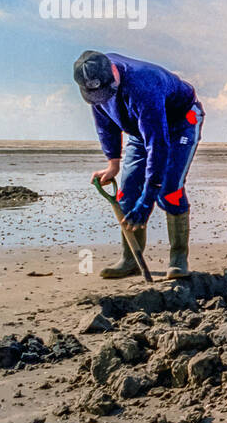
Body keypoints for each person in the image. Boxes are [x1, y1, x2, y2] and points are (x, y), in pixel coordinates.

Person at [73, 51, 203, 280]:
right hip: (139, 133)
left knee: (169, 191)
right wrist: (112, 163)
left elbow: (158, 144)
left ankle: (178, 259)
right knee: (126, 194)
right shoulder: (95, 84)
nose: (102, 97)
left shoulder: (144, 85)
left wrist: (146, 203)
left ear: (113, 72)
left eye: (106, 91)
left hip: (179, 124)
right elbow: (105, 124)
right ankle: (130, 259)